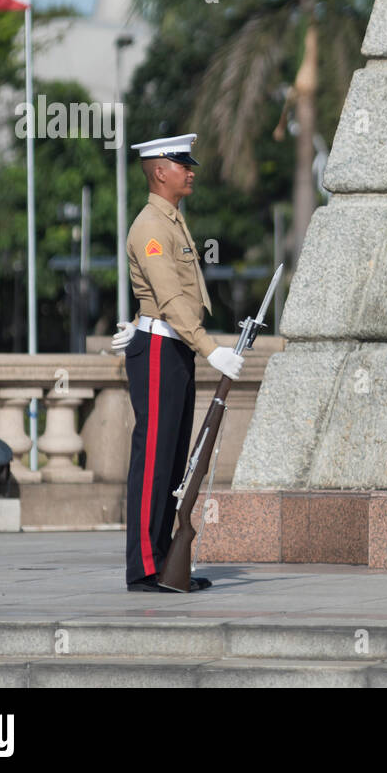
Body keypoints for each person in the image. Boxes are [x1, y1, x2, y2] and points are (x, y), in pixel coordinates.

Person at [110, 133, 244, 592]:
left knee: (170, 461)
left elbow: (157, 290)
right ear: (159, 172)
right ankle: (144, 568)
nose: (191, 170)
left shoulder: (170, 220)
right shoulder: (151, 226)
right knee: (153, 462)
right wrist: (210, 348)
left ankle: (166, 560)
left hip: (171, 347)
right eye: (181, 163)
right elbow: (167, 294)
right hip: (161, 350)